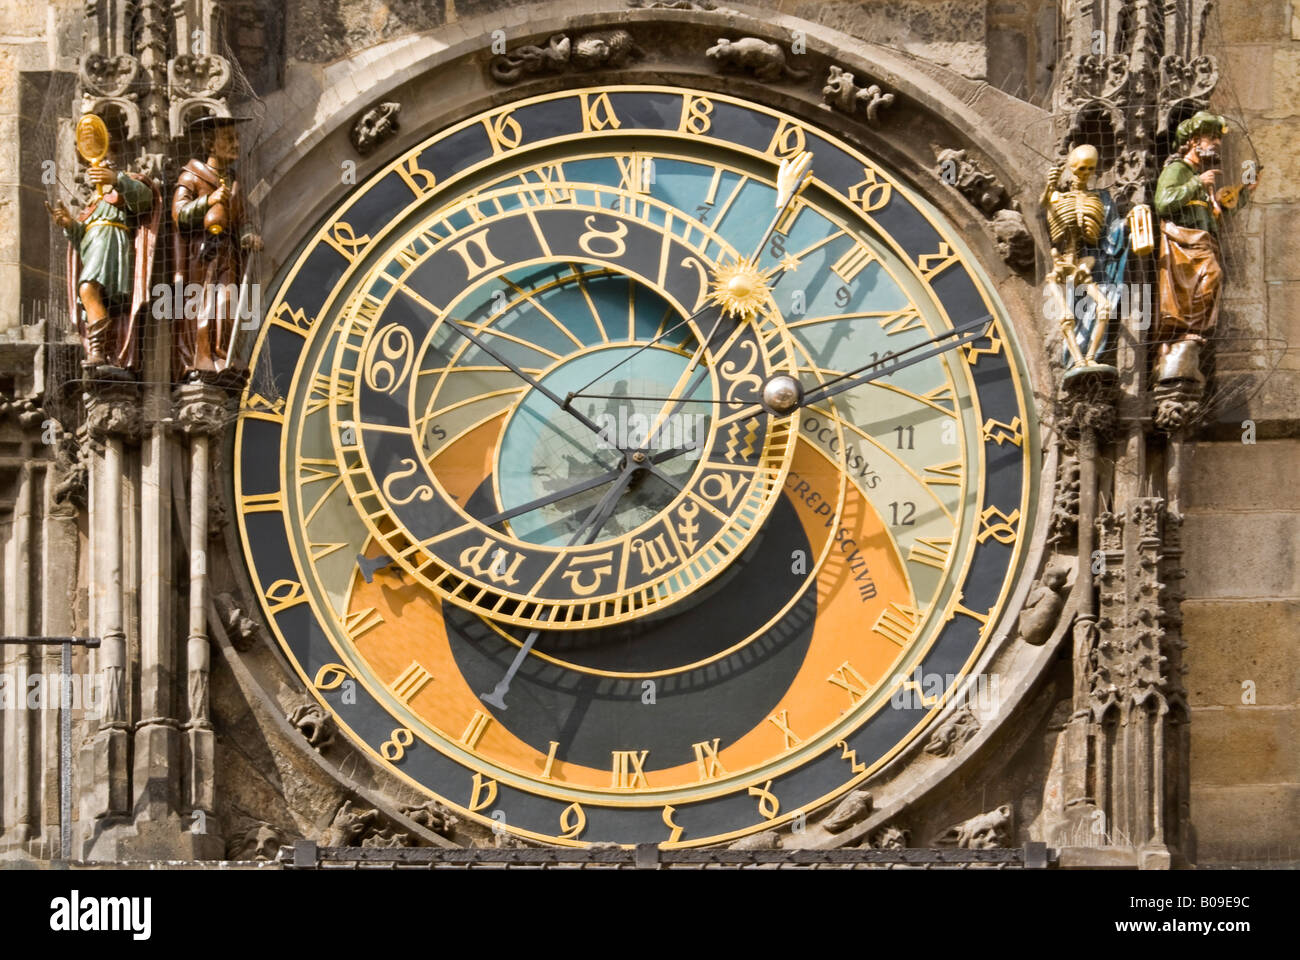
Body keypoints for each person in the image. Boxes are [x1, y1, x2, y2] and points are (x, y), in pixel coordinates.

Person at [1152, 110, 1254, 383]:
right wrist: (1198, 183)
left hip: (1201, 243)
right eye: (1210, 138)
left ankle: (1188, 334)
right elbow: (1162, 203)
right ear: (1194, 141)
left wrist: (1242, 194)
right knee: (1207, 280)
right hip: (1183, 245)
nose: (1216, 144)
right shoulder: (1178, 169)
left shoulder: (1201, 177)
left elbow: (1214, 215)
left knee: (1209, 281)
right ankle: (1180, 335)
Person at [47, 137, 159, 371]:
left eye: (106, 156)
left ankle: (99, 349)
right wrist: (69, 224)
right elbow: (82, 237)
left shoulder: (126, 181)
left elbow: (144, 202)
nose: (98, 164)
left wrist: (117, 180)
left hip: (111, 242)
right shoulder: (94, 200)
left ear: (115, 158)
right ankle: (102, 350)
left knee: (87, 289)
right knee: (91, 293)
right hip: (94, 246)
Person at [172, 114, 262, 379]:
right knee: (206, 304)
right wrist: (207, 201)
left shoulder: (233, 182)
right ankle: (203, 357)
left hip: (228, 253)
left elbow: (241, 218)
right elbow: (178, 214)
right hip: (202, 255)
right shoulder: (192, 176)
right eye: (228, 139)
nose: (236, 144)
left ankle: (222, 354)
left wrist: (248, 235)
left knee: (226, 302)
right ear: (211, 145)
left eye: (236, 139)